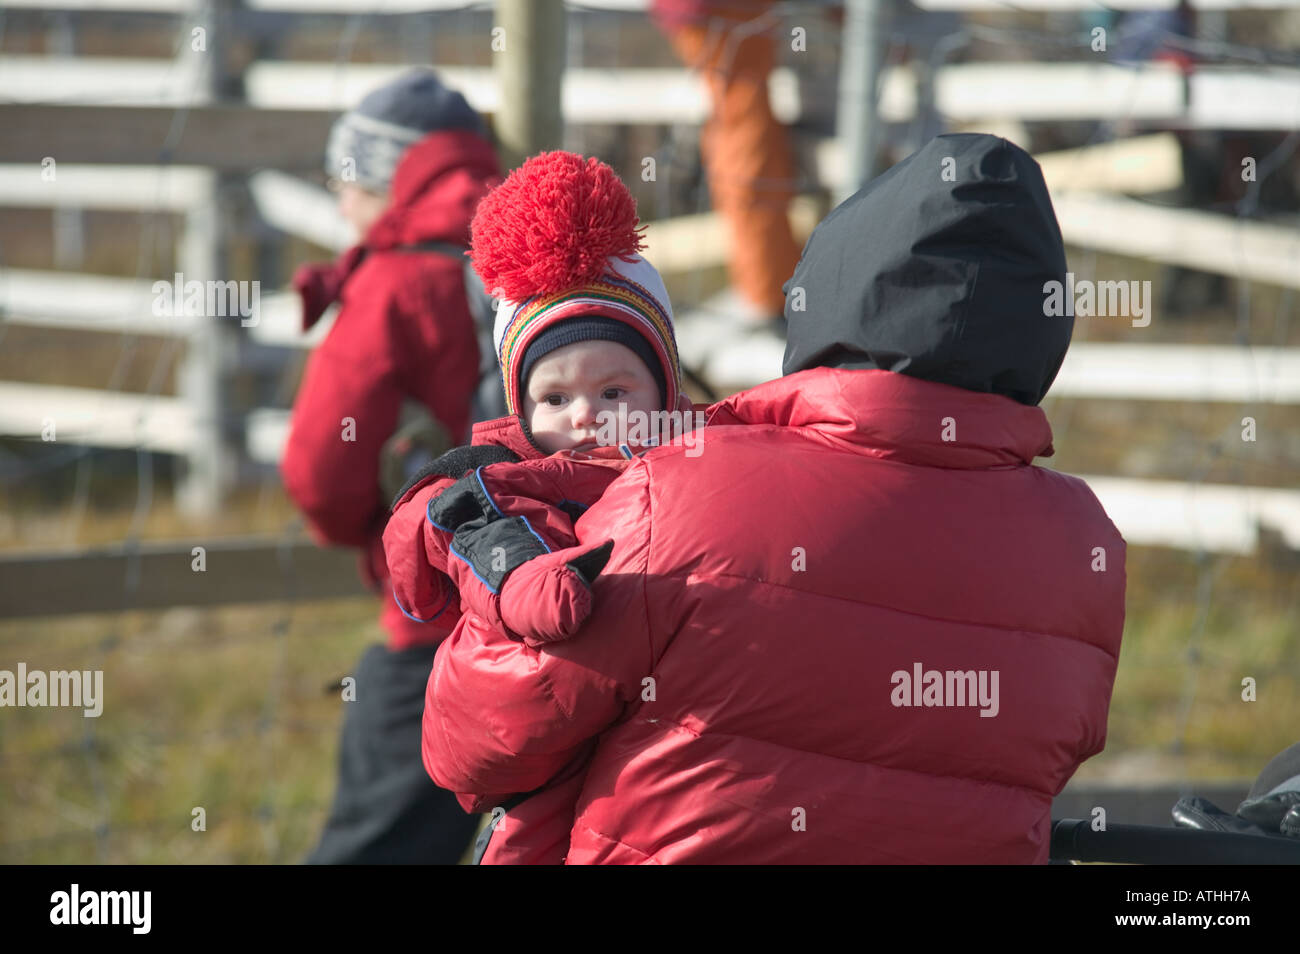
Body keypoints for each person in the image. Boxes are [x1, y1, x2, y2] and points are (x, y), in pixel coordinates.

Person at [417, 133, 1128, 863]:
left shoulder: (684, 492)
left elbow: (482, 740)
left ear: (832, 291)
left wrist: (493, 547)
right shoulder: (1088, 549)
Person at [384, 151, 699, 864]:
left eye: (616, 392)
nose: (586, 416)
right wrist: (533, 590)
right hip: (554, 782)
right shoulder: (505, 490)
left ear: (666, 393)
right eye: (556, 398)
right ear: (521, 407)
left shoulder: (702, 466)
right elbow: (489, 559)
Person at [281, 67, 501, 864]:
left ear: (387, 177)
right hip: (559, 618)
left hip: (432, 627)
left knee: (377, 847)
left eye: (347, 178)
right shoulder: (525, 271)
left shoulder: (395, 283)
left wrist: (369, 534)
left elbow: (320, 469)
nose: (341, 201)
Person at [651, 0, 803, 332]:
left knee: (738, 122)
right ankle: (768, 291)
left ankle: (766, 284)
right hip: (722, 8)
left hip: (707, 10)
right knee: (746, 128)